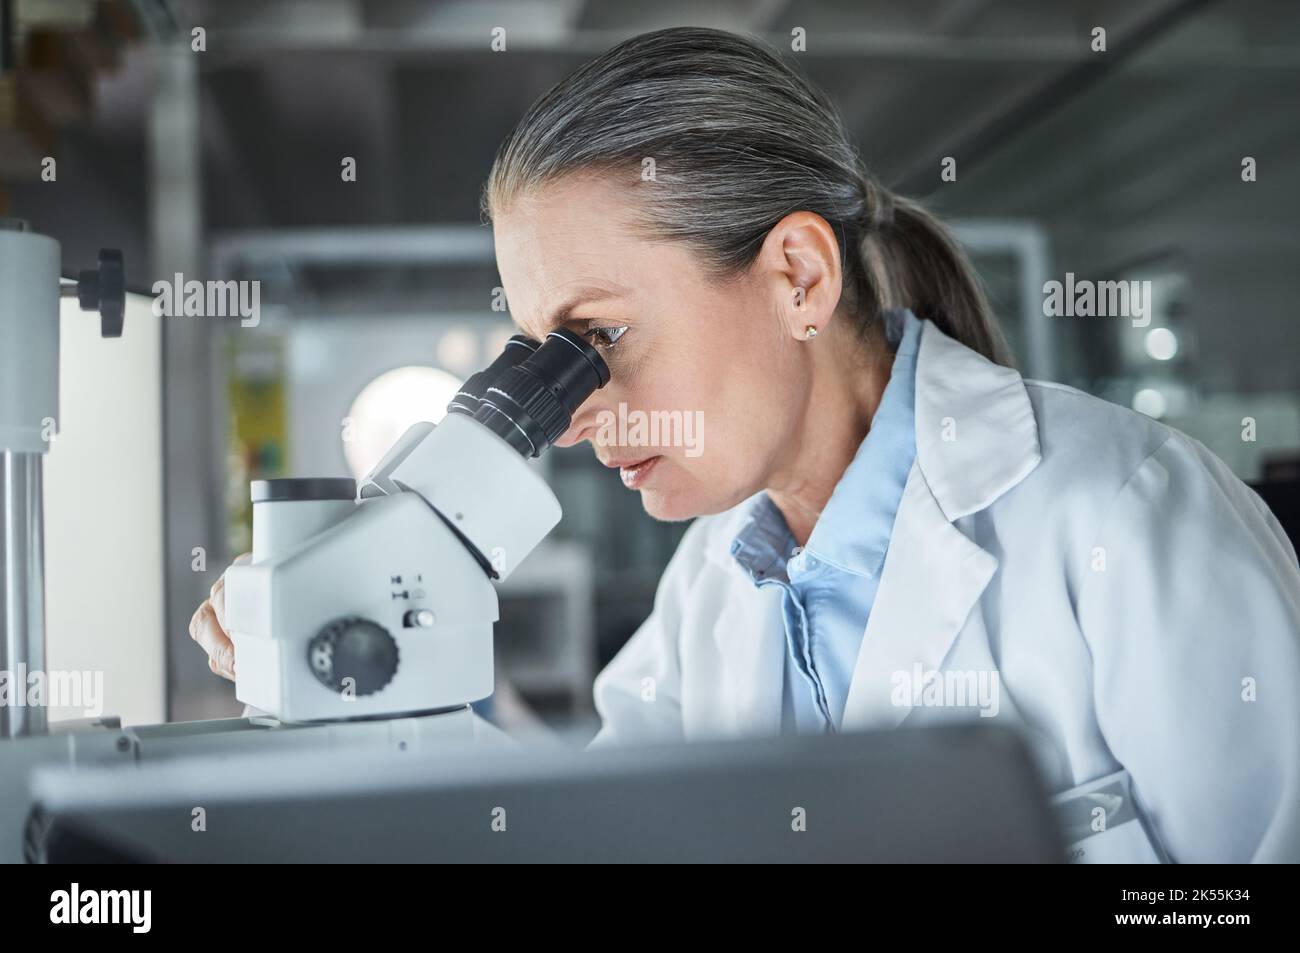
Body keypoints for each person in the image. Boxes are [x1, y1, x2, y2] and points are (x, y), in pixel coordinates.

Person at [192, 27, 1300, 862]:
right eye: (542, 354)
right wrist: (364, 682)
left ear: (798, 278)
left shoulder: (1124, 513)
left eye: (602, 336)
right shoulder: (715, 576)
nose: (570, 411)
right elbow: (593, 841)